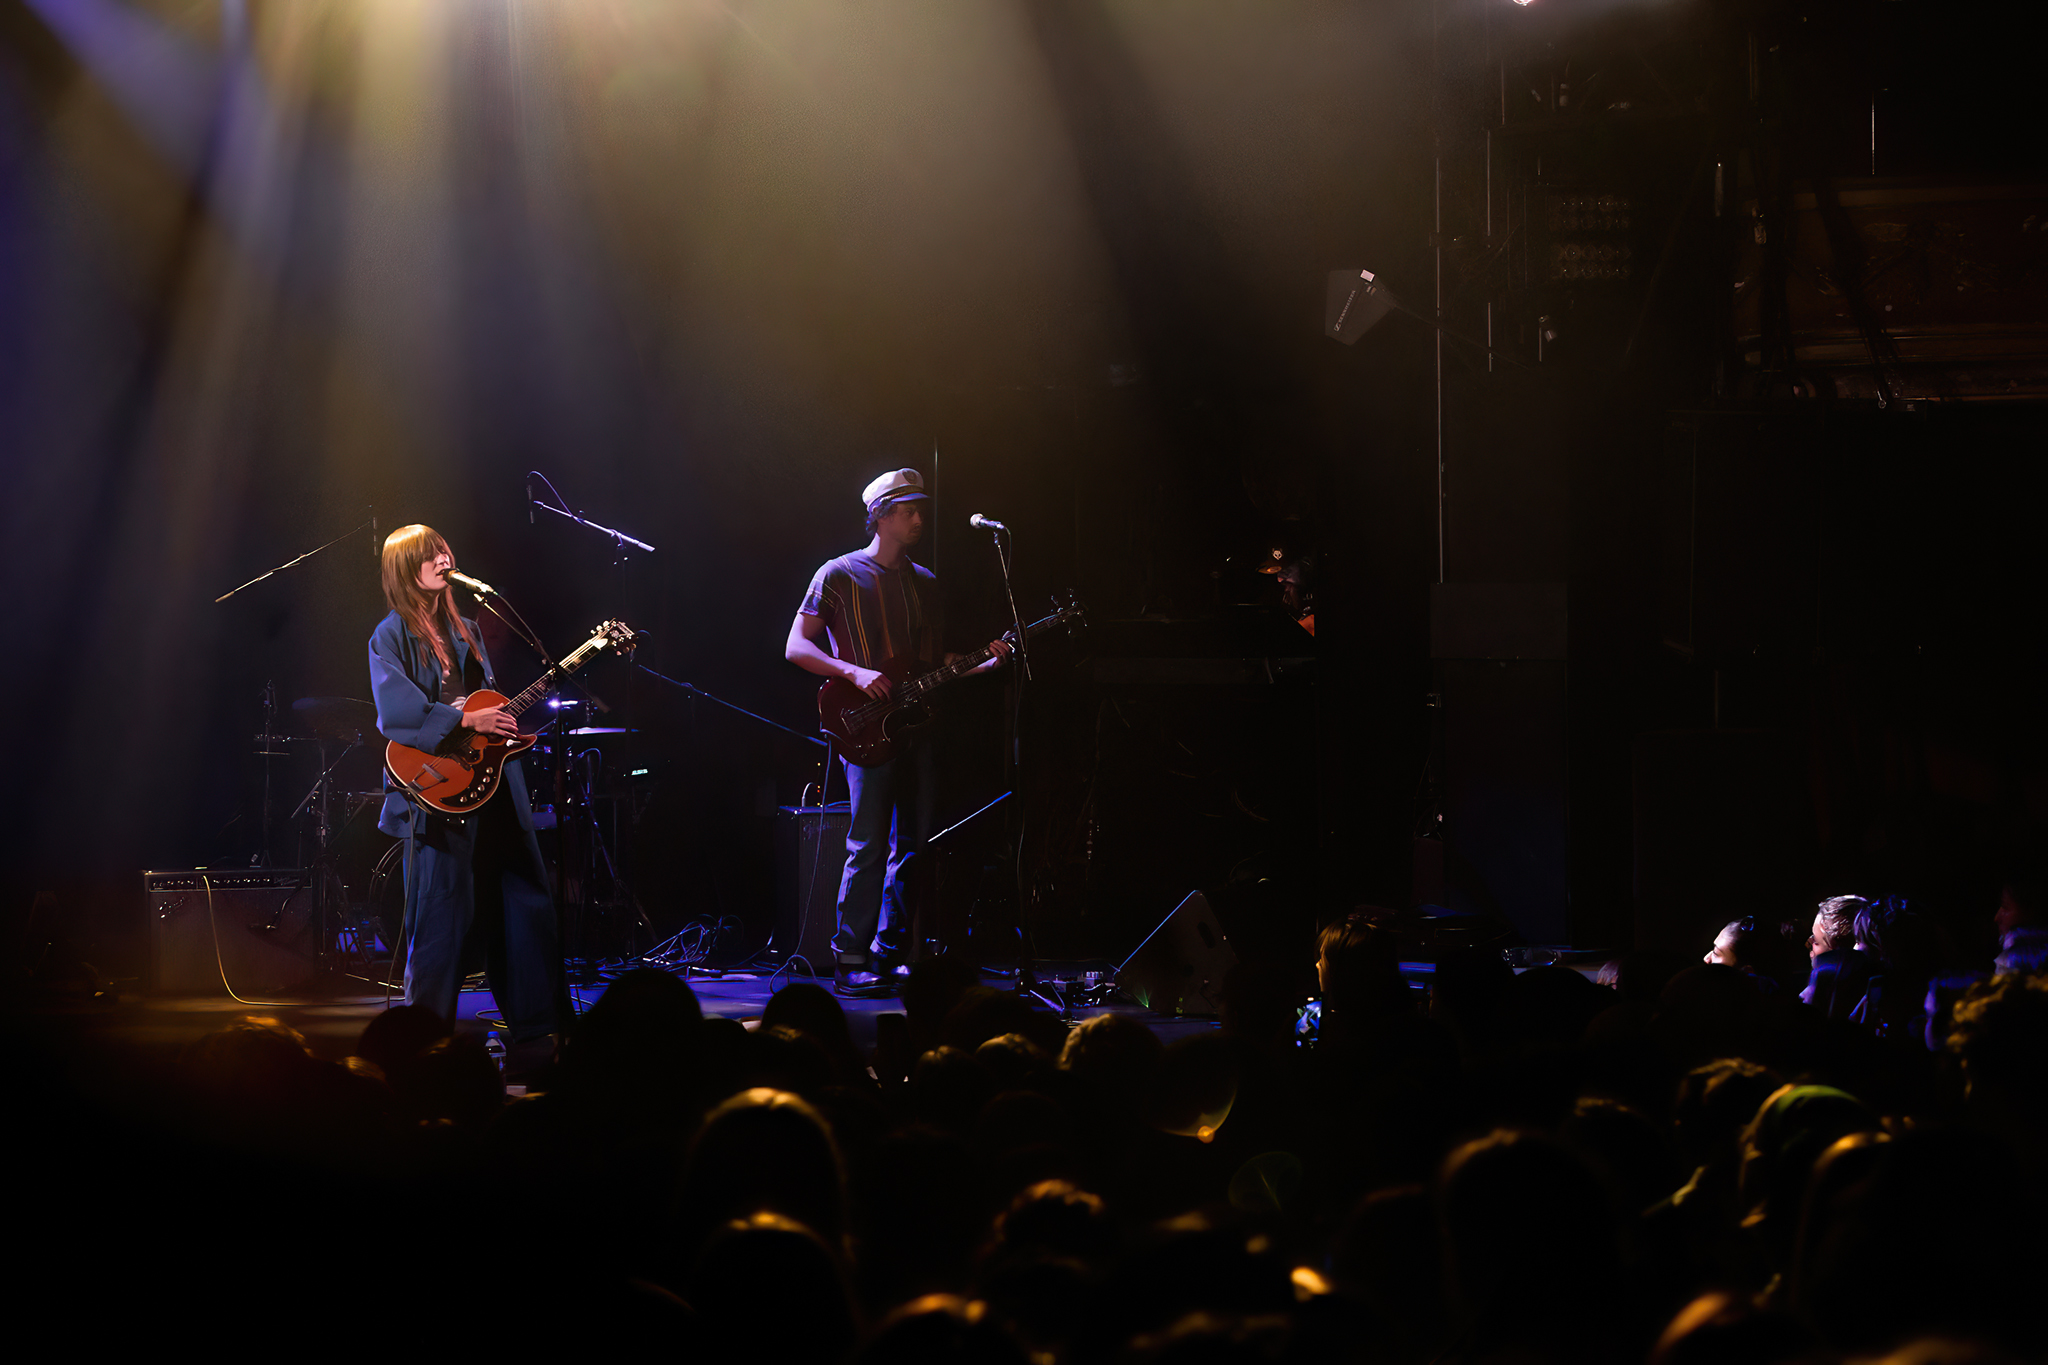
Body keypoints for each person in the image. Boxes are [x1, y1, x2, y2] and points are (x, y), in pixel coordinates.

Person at [785, 469, 1009, 997]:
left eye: (919, 510)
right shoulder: (838, 574)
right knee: (868, 841)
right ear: (880, 515)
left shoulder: (924, 582)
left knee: (913, 843)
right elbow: (797, 647)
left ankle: (890, 953)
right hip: (863, 727)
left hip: (918, 726)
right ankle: (850, 956)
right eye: (907, 510)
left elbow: (931, 663)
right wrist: (854, 672)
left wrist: (981, 664)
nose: (918, 519)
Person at [368, 525, 566, 1073]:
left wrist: (499, 726)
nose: (442, 556)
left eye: (443, 548)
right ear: (404, 569)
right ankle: (423, 1044)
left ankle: (537, 1035)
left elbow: (488, 707)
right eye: (427, 553)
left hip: (495, 785)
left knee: (523, 901)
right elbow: (396, 712)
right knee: (441, 912)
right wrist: (465, 719)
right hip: (438, 790)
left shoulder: (470, 630)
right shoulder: (390, 636)